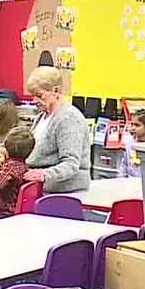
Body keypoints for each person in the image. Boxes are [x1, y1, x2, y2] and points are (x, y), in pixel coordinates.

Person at [23, 65, 91, 193]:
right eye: (33, 95)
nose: (34, 100)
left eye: (39, 95)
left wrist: (44, 174)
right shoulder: (41, 117)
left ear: (55, 91)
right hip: (40, 188)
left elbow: (71, 164)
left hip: (63, 192)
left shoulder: (69, 119)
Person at [0, 127, 36, 216]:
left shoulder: (10, 167)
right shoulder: (24, 166)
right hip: (18, 209)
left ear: (7, 148)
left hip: (4, 211)